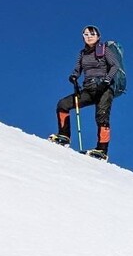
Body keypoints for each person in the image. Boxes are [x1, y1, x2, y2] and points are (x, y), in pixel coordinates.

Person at [50, 25, 118, 159]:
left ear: (98, 36)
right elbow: (77, 69)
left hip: (104, 89)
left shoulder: (104, 50)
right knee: (63, 104)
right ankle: (64, 136)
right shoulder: (82, 54)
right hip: (88, 89)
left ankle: (102, 150)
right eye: (86, 34)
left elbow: (115, 65)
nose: (89, 37)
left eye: (92, 34)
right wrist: (74, 77)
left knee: (101, 117)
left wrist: (106, 81)